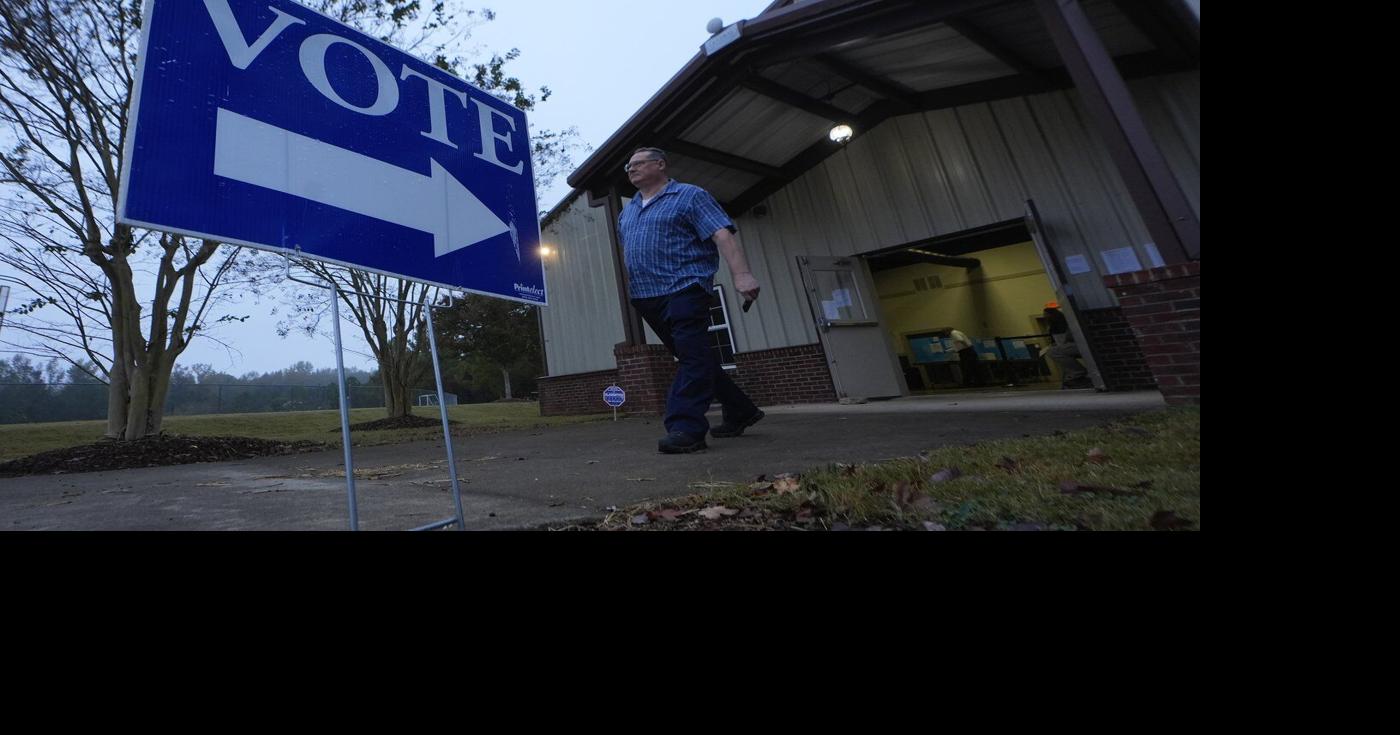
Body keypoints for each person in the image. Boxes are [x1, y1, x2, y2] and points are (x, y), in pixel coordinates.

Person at [617, 147, 765, 454]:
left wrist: (742, 275)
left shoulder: (690, 195)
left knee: (692, 357)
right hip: (646, 295)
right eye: (628, 167)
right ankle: (741, 409)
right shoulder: (627, 210)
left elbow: (722, 234)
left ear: (660, 164)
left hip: (686, 286)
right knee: (695, 356)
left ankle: (686, 426)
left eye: (638, 164)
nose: (630, 169)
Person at [1042, 301, 1092, 389]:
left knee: (1053, 352)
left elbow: (1064, 339)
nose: (1044, 316)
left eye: (1045, 314)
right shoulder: (1063, 320)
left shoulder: (1059, 323)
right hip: (1075, 343)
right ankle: (1075, 375)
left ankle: (1077, 373)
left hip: (1078, 344)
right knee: (1056, 351)